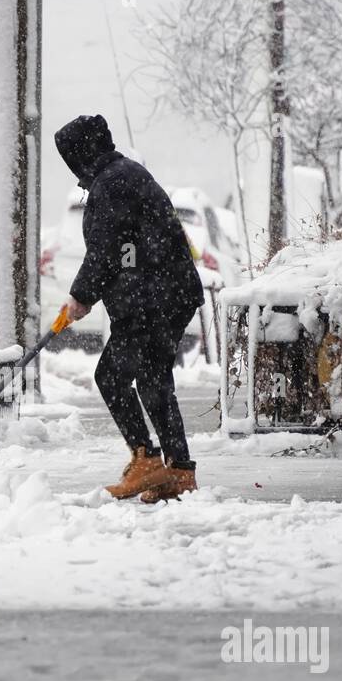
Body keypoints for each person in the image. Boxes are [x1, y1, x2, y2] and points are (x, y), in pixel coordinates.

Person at [55, 114, 203, 503]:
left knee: (111, 377)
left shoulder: (114, 182)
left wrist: (81, 296)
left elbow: (105, 251)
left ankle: (147, 459)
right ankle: (179, 471)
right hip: (160, 294)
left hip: (154, 297)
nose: (73, 170)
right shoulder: (121, 175)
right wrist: (89, 293)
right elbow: (122, 249)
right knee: (154, 381)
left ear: (83, 154)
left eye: (71, 159)